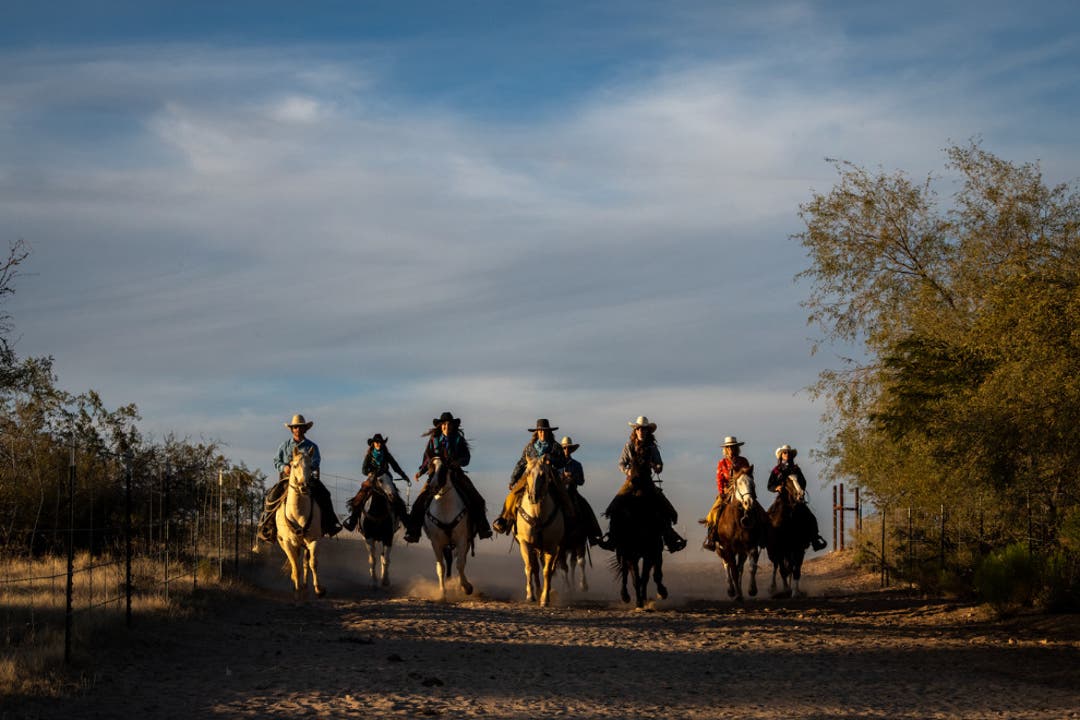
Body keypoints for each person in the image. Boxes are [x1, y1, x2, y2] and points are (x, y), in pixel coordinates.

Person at [403, 411, 493, 543]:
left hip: (456, 474)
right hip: (436, 475)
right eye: (444, 424)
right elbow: (427, 458)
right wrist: (421, 472)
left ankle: (483, 528)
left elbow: (466, 458)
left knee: (477, 499)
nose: (446, 426)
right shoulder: (433, 440)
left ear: (453, 426)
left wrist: (458, 462)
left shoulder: (458, 439)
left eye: (449, 424)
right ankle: (413, 531)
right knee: (419, 502)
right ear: (440, 426)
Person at [602, 416, 687, 553]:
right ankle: (612, 538)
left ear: (648, 431)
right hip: (631, 481)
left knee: (665, 507)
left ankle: (669, 538)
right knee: (615, 506)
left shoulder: (652, 447)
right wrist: (628, 470)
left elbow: (659, 464)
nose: (641, 431)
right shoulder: (629, 445)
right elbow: (621, 463)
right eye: (639, 429)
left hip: (647, 481)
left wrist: (657, 467)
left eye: (644, 429)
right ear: (635, 430)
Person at [255, 414, 342, 544]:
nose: (298, 430)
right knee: (271, 496)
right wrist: (284, 467)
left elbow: (316, 461)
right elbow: (276, 461)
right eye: (295, 427)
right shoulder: (284, 446)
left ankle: (330, 524)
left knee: (324, 494)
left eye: (300, 427)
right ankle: (267, 528)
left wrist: (306, 468)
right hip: (287, 480)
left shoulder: (312, 446)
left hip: (307, 479)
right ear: (292, 429)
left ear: (305, 429)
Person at [492, 419, 576, 535]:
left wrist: (550, 458)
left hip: (550, 475)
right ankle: (504, 519)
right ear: (537, 432)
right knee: (513, 495)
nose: (542, 433)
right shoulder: (530, 447)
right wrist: (513, 479)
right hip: (530, 475)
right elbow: (521, 463)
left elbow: (562, 462)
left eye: (545, 431)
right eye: (540, 430)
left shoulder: (555, 447)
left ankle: (570, 519)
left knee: (563, 493)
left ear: (549, 432)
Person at [342, 433, 410, 532]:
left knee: (395, 497)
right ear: (373, 444)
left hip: (386, 479)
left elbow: (395, 467)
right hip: (372, 480)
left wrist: (404, 476)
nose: (378, 444)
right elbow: (363, 470)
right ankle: (352, 522)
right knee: (359, 497)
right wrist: (370, 473)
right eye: (376, 442)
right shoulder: (369, 455)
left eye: (380, 442)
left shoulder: (386, 455)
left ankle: (407, 523)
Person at [767, 444, 828, 551]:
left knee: (810, 517)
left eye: (789, 453)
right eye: (785, 452)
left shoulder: (796, 469)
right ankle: (765, 539)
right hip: (782, 498)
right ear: (781, 455)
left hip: (796, 498)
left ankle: (815, 539)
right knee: (768, 516)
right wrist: (777, 488)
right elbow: (769, 485)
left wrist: (801, 489)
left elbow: (803, 481)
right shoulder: (776, 470)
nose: (787, 454)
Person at [702, 435, 752, 552]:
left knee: (757, 509)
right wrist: (722, 491)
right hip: (727, 492)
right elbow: (719, 479)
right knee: (712, 514)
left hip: (742, 491)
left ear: (737, 448)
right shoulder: (722, 463)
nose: (731, 449)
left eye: (733, 447)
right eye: (728, 447)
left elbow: (749, 476)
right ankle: (711, 538)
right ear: (725, 449)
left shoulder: (743, 461)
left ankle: (763, 534)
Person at [558, 435, 604, 546]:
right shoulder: (556, 464)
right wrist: (561, 477)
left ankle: (592, 535)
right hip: (558, 493)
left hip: (572, 493)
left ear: (572, 450)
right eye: (564, 448)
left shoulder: (577, 465)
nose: (566, 450)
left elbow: (581, 481)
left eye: (568, 448)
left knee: (586, 507)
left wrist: (572, 478)